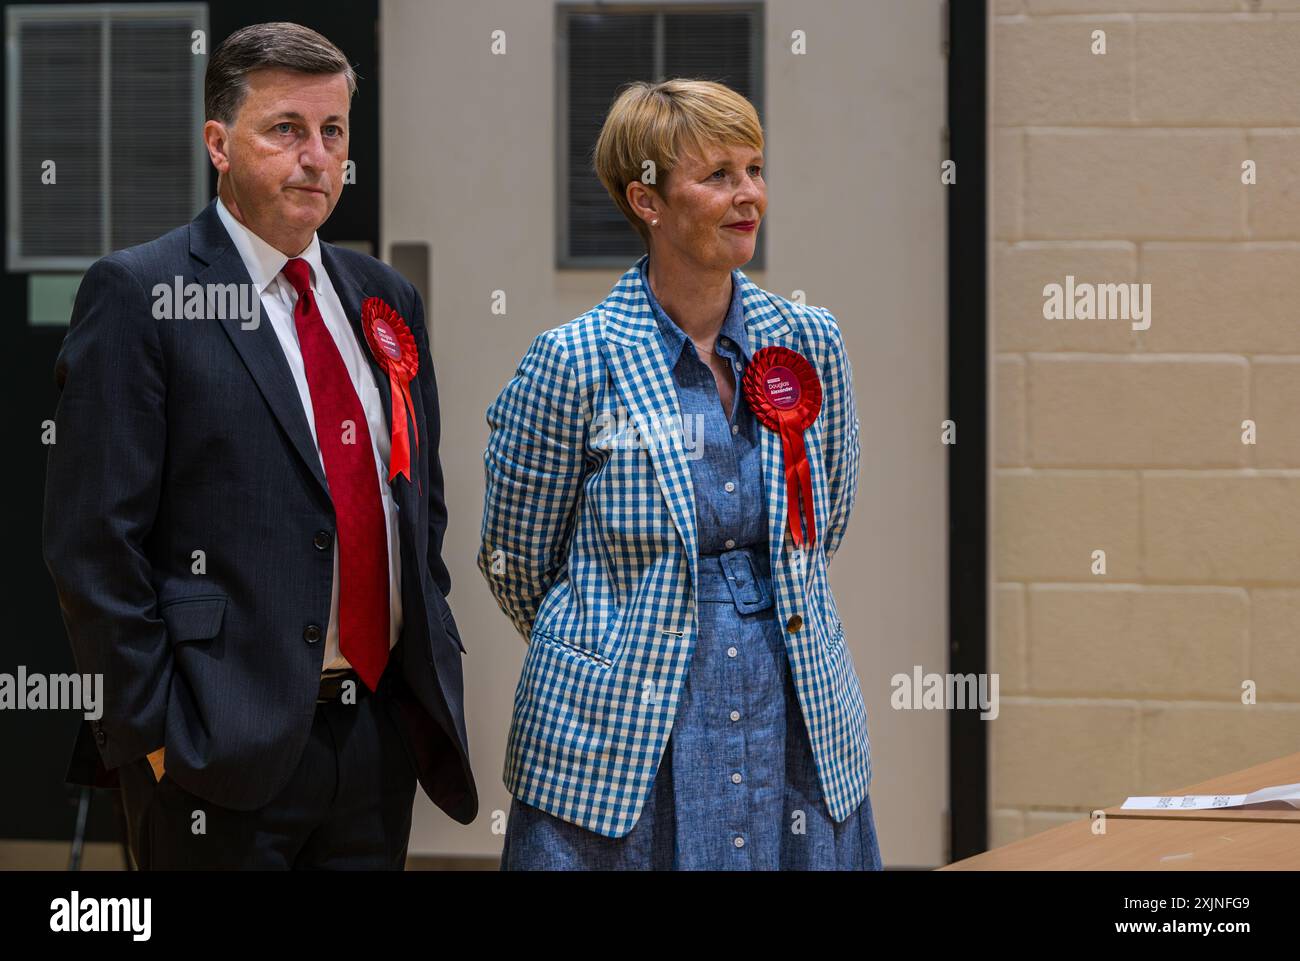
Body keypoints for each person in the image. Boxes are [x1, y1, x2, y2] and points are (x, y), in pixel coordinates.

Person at [42, 21, 475, 869]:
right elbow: (91, 544)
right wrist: (153, 736)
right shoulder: (141, 292)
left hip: (375, 734)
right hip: (214, 745)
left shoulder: (384, 298)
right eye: (286, 129)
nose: (318, 156)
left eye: (334, 132)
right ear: (219, 142)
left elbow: (417, 514)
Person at [479, 78, 879, 869]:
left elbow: (822, 522)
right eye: (719, 175)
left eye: (755, 169)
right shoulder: (573, 360)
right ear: (647, 199)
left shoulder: (809, 341)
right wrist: (615, 638)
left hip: (793, 704)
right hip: (615, 734)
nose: (749, 196)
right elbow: (515, 562)